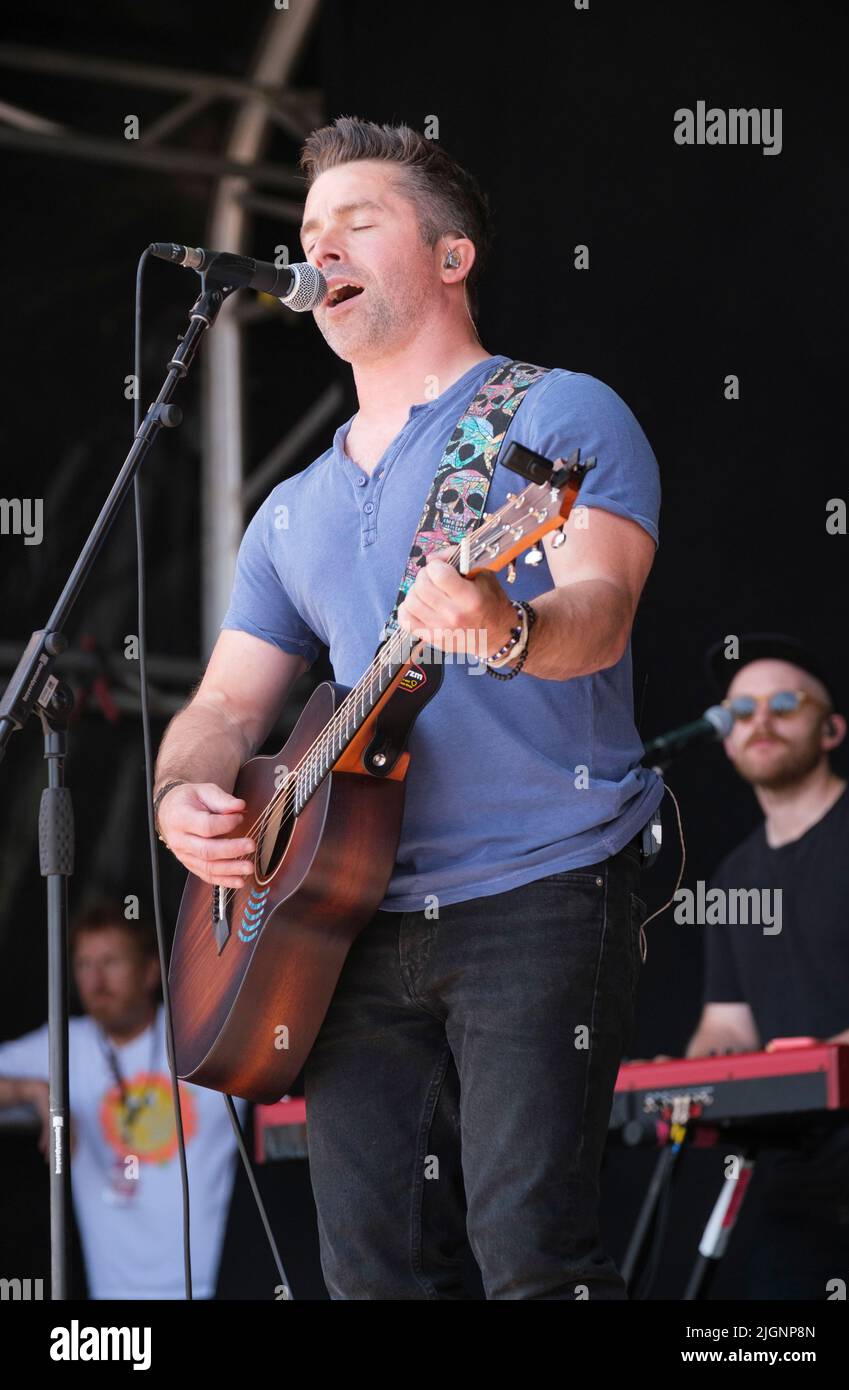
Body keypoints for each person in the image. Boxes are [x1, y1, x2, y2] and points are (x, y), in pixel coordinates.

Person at [153, 116, 663, 1299]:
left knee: (532, 1256)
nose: (316, 248)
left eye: (355, 223)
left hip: (538, 881)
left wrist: (506, 625)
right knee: (372, 1274)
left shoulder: (555, 416)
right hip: (344, 916)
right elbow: (227, 703)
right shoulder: (288, 510)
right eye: (304, 232)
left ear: (449, 257)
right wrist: (187, 788)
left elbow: (601, 606)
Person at [685, 634, 849, 1298]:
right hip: (795, 1173)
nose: (761, 721)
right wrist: (691, 1080)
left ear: (831, 727)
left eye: (786, 703)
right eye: (741, 712)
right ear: (726, 740)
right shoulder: (733, 877)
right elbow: (726, 1024)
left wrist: (808, 1063)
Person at [0, 897, 244, 1299]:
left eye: (110, 962)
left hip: (220, 1288)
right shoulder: (67, 1044)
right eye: (83, 965)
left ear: (150, 971)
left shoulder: (201, 1029)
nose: (95, 981)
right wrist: (33, 1091)